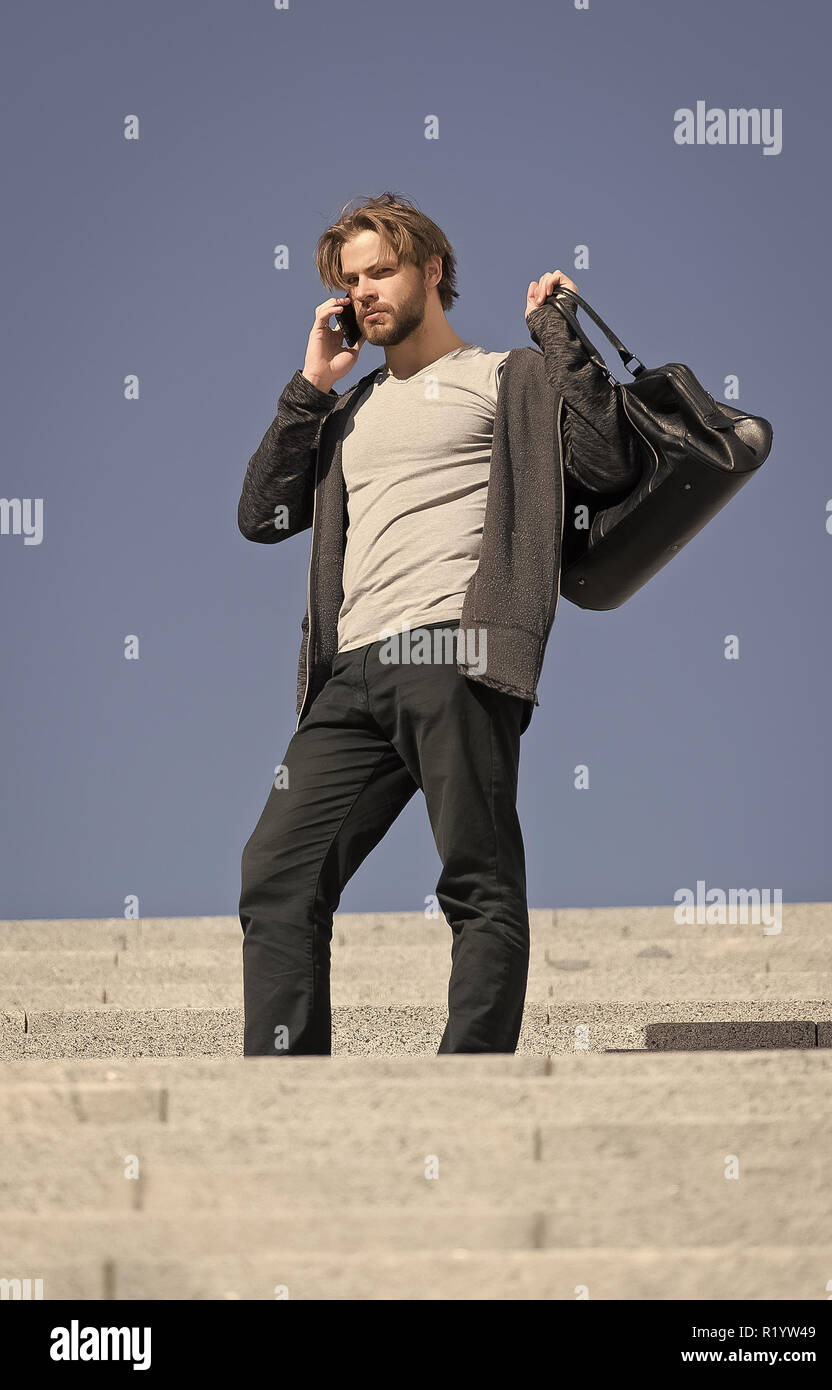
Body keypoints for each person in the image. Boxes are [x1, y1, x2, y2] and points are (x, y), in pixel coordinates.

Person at [237, 192, 641, 1056]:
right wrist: (311, 387)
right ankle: (277, 1083)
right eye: (351, 280)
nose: (364, 292)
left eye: (380, 270)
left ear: (432, 270)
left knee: (477, 876)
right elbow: (262, 515)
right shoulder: (348, 412)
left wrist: (561, 337)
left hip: (455, 647)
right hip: (348, 674)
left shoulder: (509, 378)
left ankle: (469, 1083)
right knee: (276, 872)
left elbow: (607, 462)